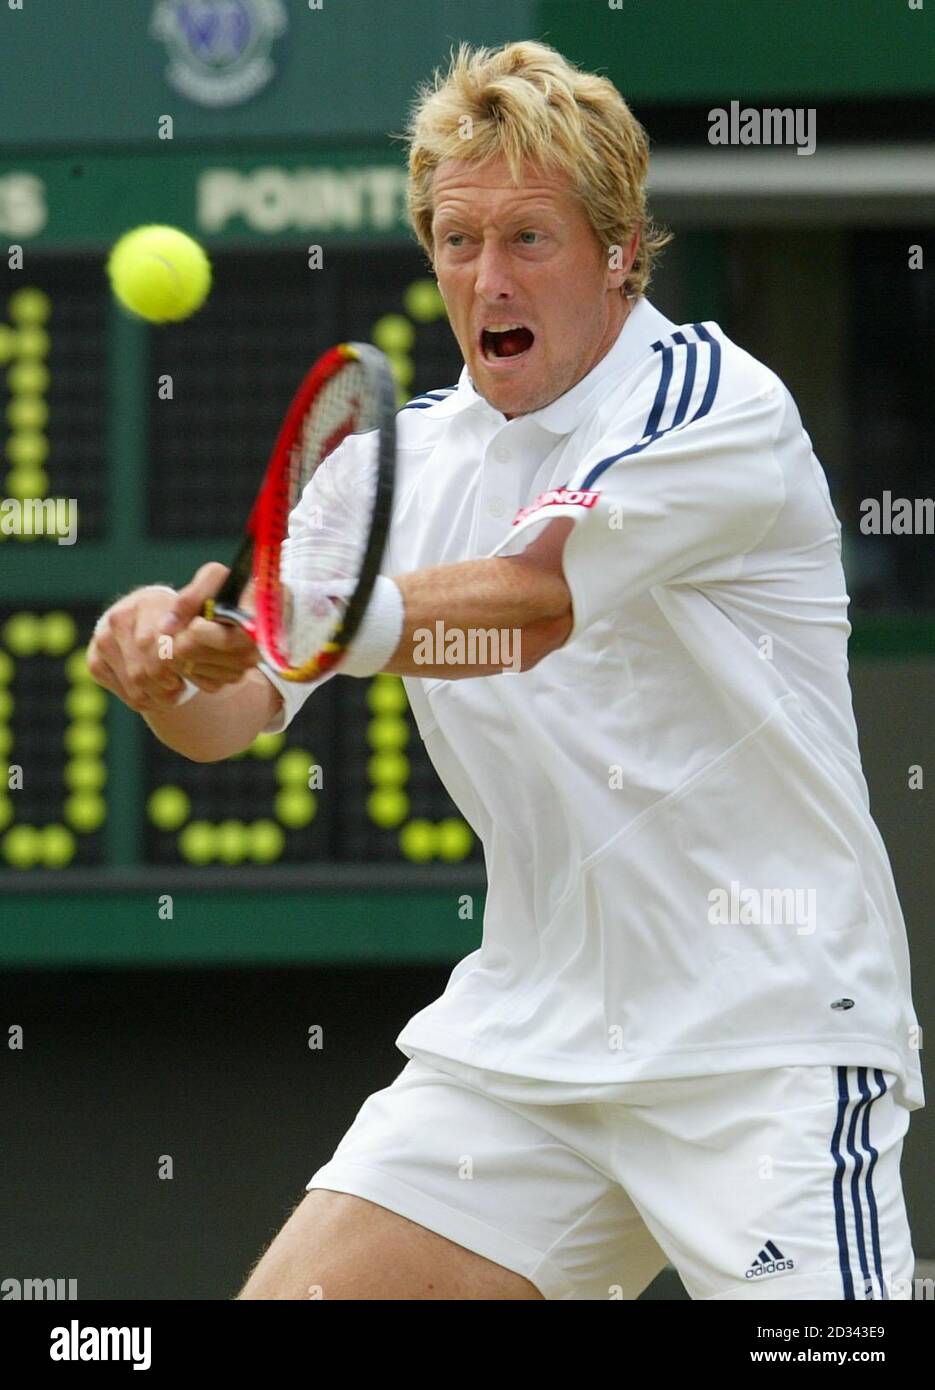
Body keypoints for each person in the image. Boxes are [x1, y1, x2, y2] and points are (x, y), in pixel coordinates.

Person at [88, 40, 924, 1301]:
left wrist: (319, 616)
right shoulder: (394, 464)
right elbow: (239, 709)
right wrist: (164, 673)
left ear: (619, 250)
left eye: (529, 238)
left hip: (764, 1045)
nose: (487, 278)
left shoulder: (715, 406)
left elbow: (529, 600)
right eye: (457, 239)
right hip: (522, 1052)